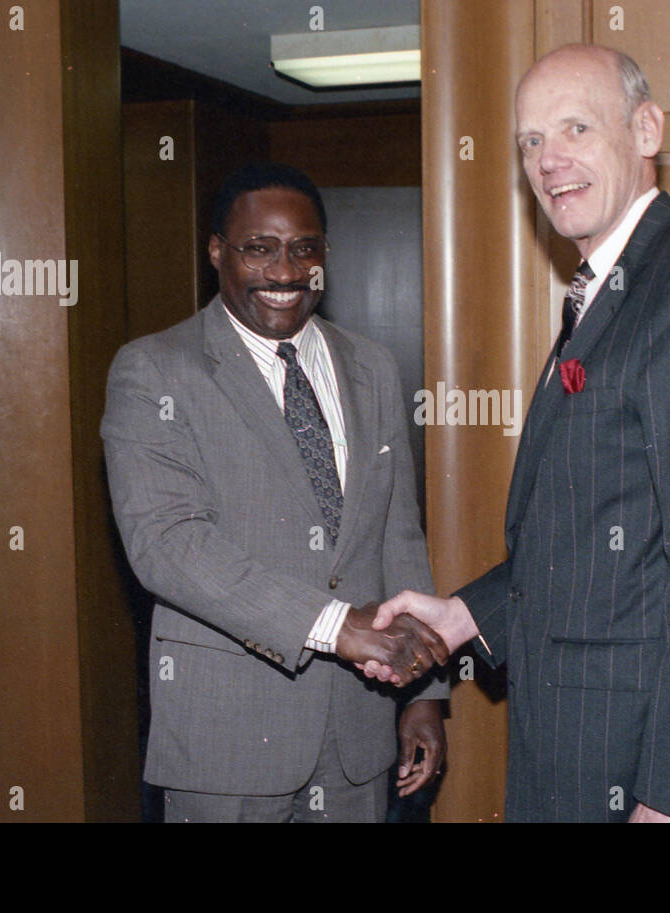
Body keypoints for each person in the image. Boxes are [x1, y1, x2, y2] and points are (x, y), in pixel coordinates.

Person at [371, 45, 670, 822]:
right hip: (578, 750)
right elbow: (600, 534)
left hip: (644, 767)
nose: (548, 160)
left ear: (645, 130)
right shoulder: (607, 288)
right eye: (530, 140)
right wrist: (463, 614)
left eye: (575, 127)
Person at [101, 163, 448, 823]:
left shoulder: (372, 367)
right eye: (259, 248)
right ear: (216, 252)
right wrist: (331, 626)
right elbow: (168, 544)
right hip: (228, 742)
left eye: (304, 248)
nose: (285, 271)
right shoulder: (154, 370)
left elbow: (398, 535)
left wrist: (423, 692)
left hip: (358, 737)